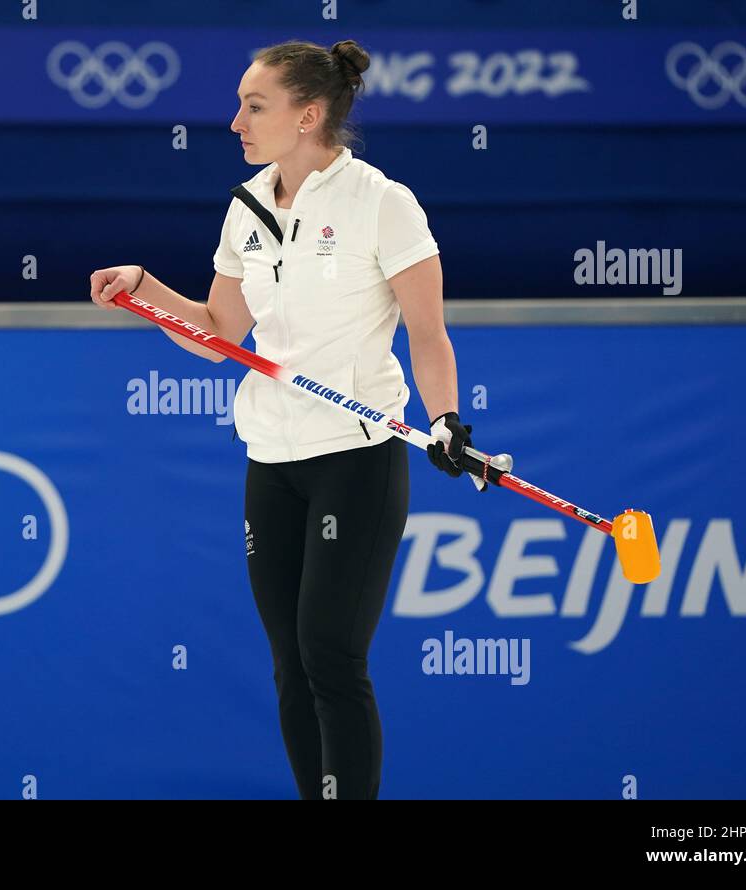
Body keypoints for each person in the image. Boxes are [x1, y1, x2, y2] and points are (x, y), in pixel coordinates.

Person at [89, 38, 477, 800]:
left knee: (330, 652)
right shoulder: (247, 209)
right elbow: (219, 334)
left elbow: (427, 333)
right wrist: (145, 289)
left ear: (309, 114)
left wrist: (448, 420)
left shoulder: (381, 203)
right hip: (271, 458)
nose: (236, 120)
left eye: (253, 106)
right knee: (291, 663)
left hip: (356, 454)